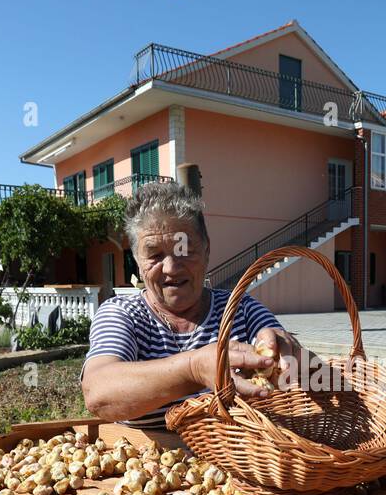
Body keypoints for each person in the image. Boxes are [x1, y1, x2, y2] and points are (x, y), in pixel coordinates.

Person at [82, 181, 304, 428]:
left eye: (184, 250)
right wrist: (193, 369)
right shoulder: (122, 314)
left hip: (235, 462)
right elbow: (98, 392)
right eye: (155, 255)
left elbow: (301, 371)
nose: (171, 269)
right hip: (149, 462)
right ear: (136, 259)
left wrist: (286, 351)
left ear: (207, 251)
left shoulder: (240, 309)